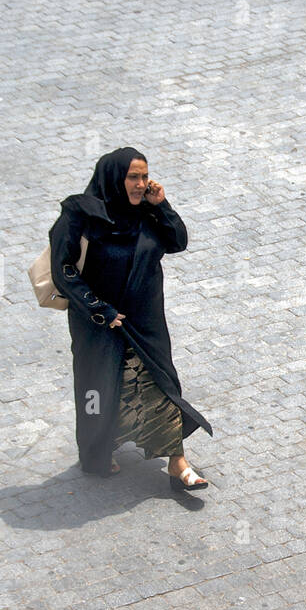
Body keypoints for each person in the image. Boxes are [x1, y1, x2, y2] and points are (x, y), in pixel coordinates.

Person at [48, 146, 213, 491]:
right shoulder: (79, 214)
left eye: (144, 176)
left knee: (160, 383)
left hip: (144, 320)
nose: (141, 184)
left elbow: (177, 241)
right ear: (113, 178)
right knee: (101, 388)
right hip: (100, 324)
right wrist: (100, 310)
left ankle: (177, 462)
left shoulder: (147, 212)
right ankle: (97, 448)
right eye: (133, 177)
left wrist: (162, 205)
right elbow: (63, 270)